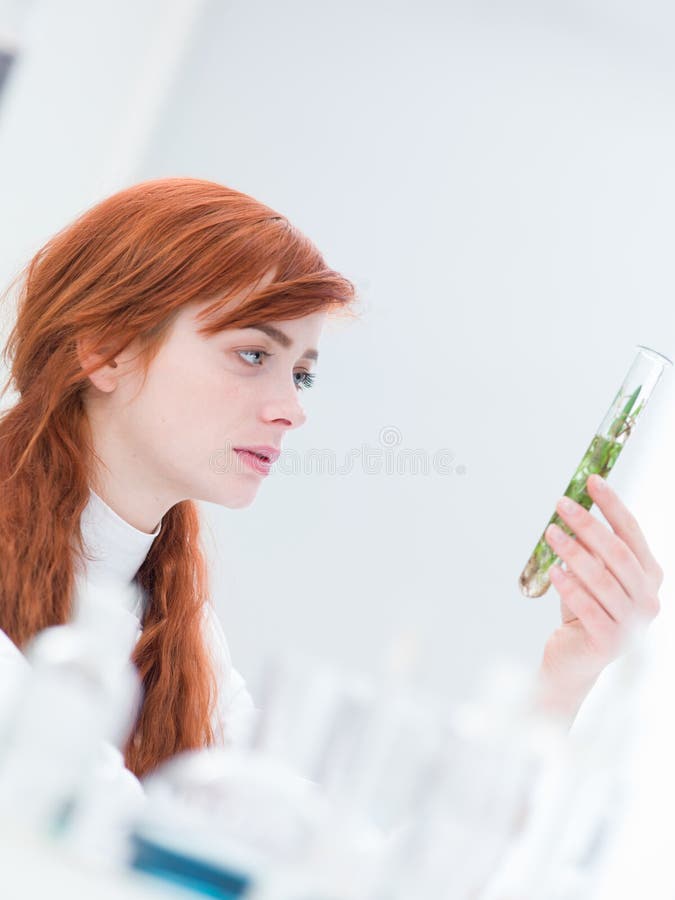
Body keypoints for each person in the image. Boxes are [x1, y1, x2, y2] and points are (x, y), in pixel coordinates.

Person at [0, 177, 663, 780]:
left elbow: (291, 862)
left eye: (301, 372)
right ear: (106, 351)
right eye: (253, 354)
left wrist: (563, 681)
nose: (291, 408)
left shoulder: (181, 637)